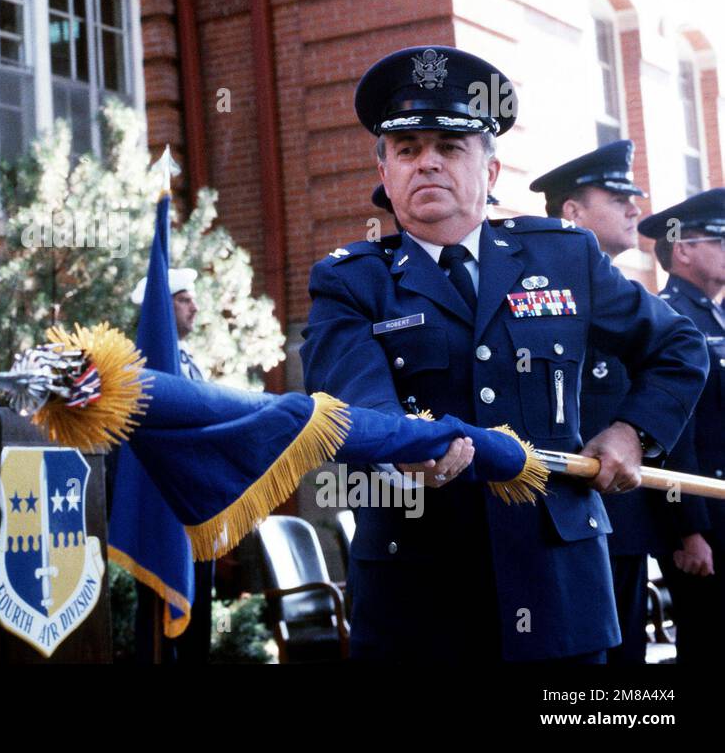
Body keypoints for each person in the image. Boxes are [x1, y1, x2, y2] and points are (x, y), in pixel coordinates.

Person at [300, 45, 707, 662]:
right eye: (408, 151)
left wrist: (631, 433)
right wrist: (402, 451)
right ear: (385, 175)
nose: (427, 164)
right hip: (420, 595)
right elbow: (355, 402)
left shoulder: (563, 258)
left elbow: (678, 347)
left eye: (450, 147)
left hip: (559, 588)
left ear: (489, 173)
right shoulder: (351, 281)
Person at [528, 140, 676, 663]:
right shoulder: (535, 295)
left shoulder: (629, 303)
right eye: (616, 199)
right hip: (560, 520)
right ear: (571, 211)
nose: (635, 209)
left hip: (625, 516)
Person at [638, 189, 725, 663]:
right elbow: (674, 436)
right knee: (711, 642)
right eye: (722, 241)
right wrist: (690, 532)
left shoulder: (716, 314)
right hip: (705, 520)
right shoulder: (671, 318)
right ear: (684, 250)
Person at [130, 266, 211, 661]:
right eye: (183, 299)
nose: (194, 307)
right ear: (161, 309)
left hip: (198, 507)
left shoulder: (189, 360)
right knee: (162, 632)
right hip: (166, 513)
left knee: (197, 628)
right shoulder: (145, 366)